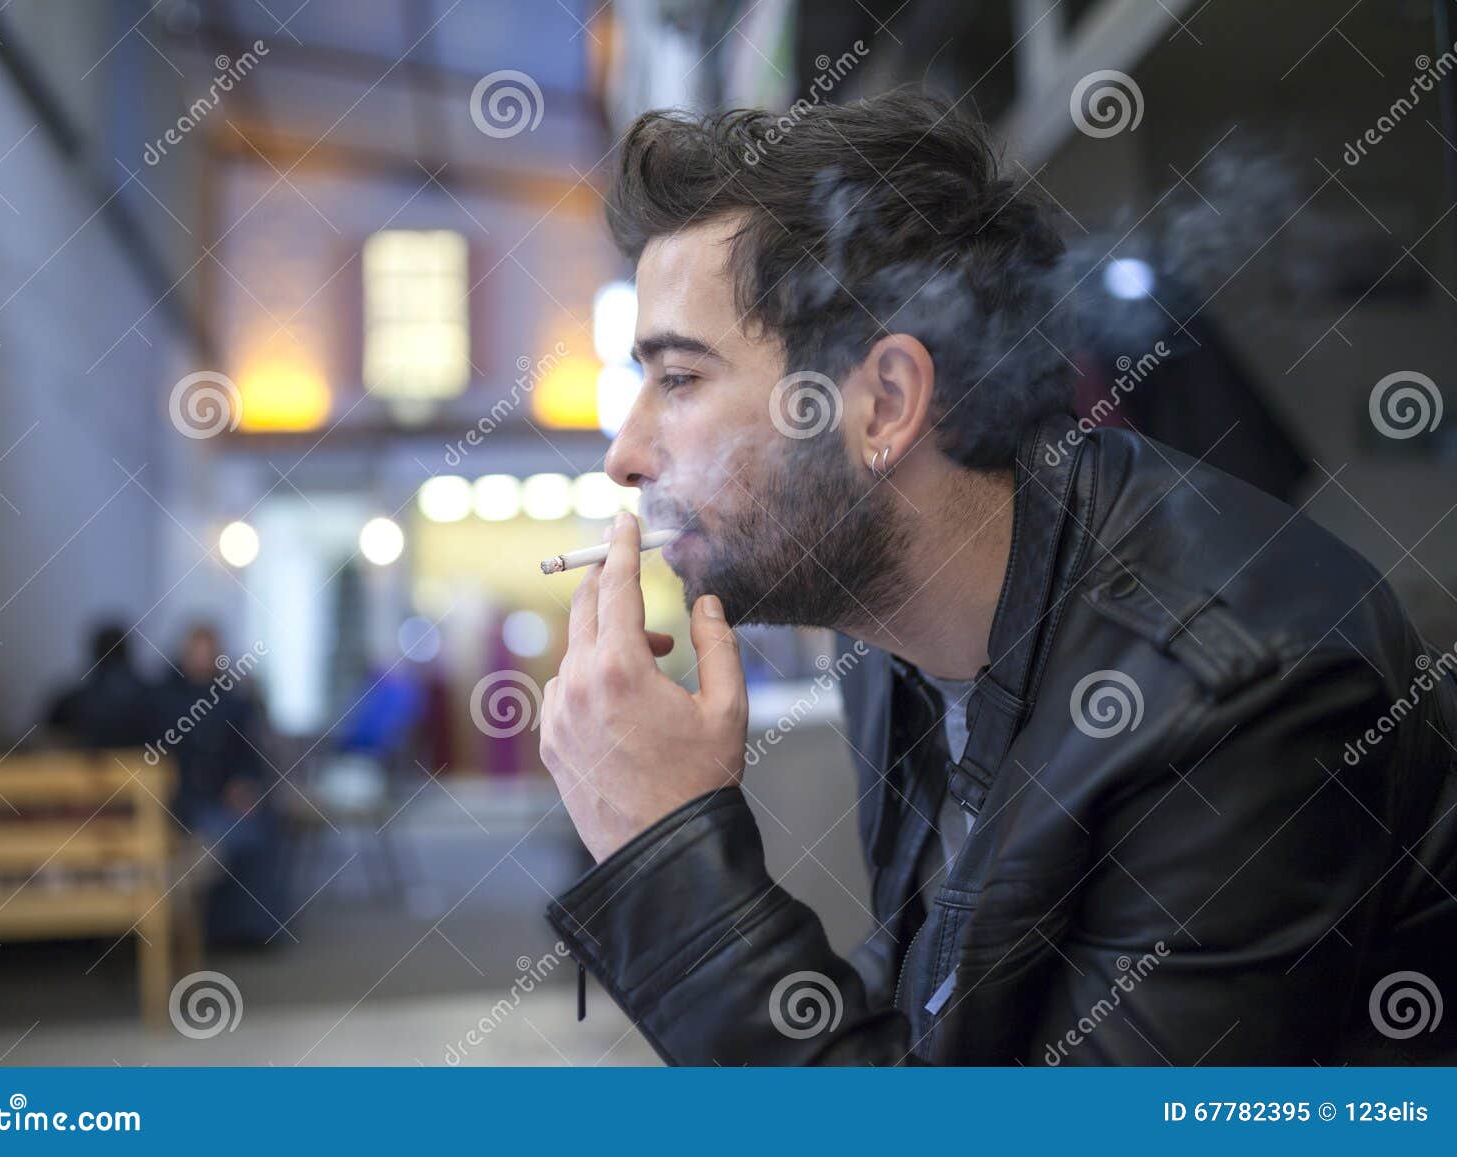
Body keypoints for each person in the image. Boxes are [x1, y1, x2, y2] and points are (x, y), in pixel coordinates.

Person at [536, 87, 1457, 1065]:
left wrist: (668, 849)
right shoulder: (890, 620)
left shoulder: (1234, 696)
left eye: (677, 379)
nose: (624, 455)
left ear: (884, 403)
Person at [158, 623, 285, 946]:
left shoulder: (234, 703)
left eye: (208, 652)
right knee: (208, 839)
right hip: (182, 801)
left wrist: (245, 783)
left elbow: (249, 757)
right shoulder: (163, 701)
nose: (202, 660)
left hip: (225, 800)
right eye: (196, 652)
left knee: (260, 827)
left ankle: (251, 930)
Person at [46, 623, 157, 749]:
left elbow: (49, 740)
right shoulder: (156, 698)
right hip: (146, 766)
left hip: (86, 767)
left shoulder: (71, 702)